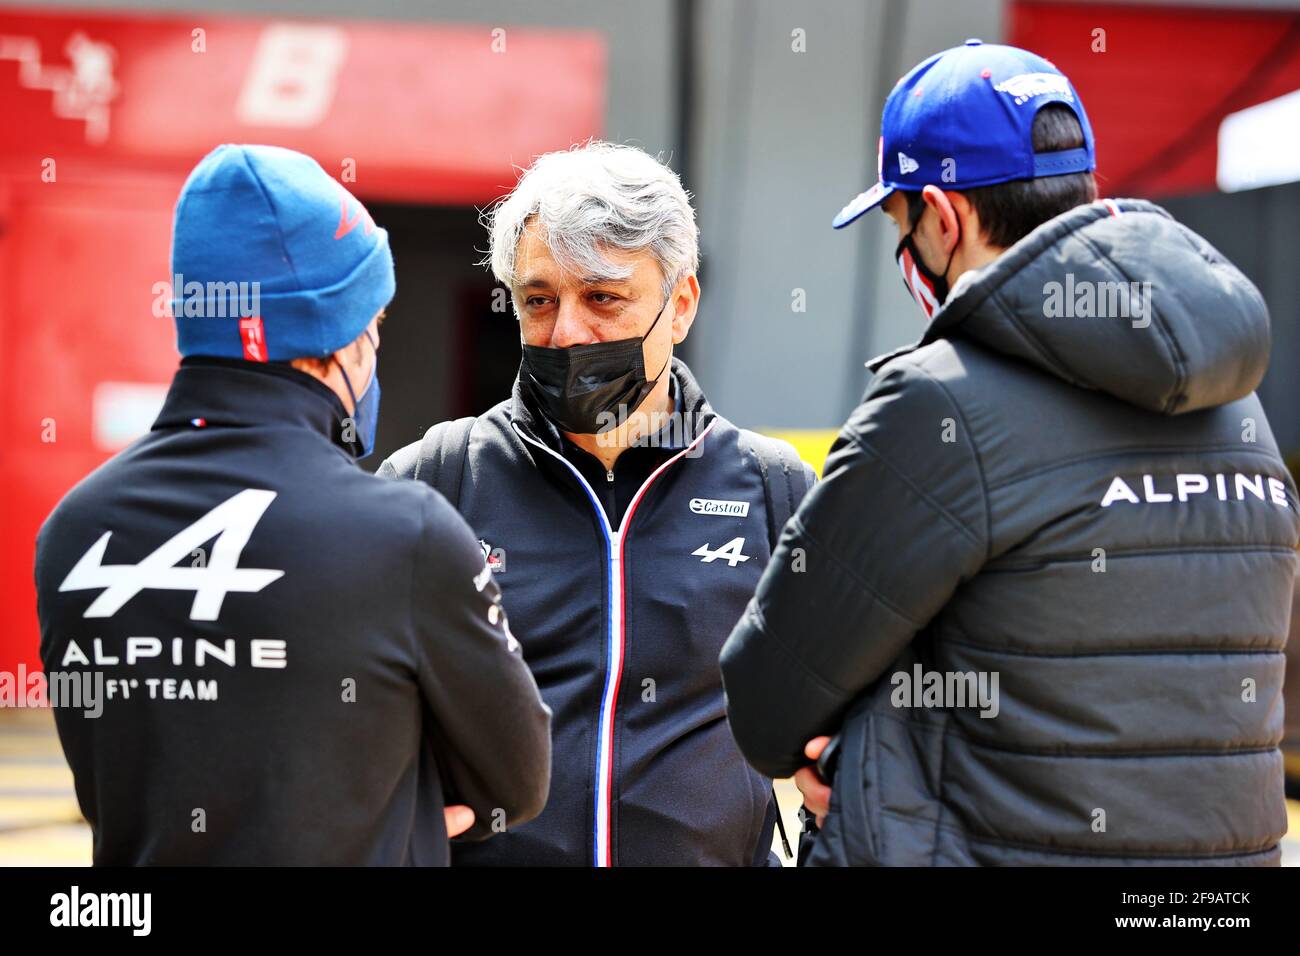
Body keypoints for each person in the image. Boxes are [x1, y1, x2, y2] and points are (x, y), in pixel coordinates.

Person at [720, 41, 1299, 866]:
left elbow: (770, 704)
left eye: (900, 225)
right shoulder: (1235, 400)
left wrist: (864, 754)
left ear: (943, 217)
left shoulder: (939, 403)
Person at [34, 144, 551, 865]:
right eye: (372, 324)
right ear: (330, 340)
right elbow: (515, 783)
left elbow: (125, 778)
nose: (374, 350)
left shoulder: (73, 530)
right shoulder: (407, 536)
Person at [379, 142, 814, 866]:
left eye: (602, 297)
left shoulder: (773, 490)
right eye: (539, 300)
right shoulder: (436, 481)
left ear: (680, 306)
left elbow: (850, 735)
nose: (567, 332)